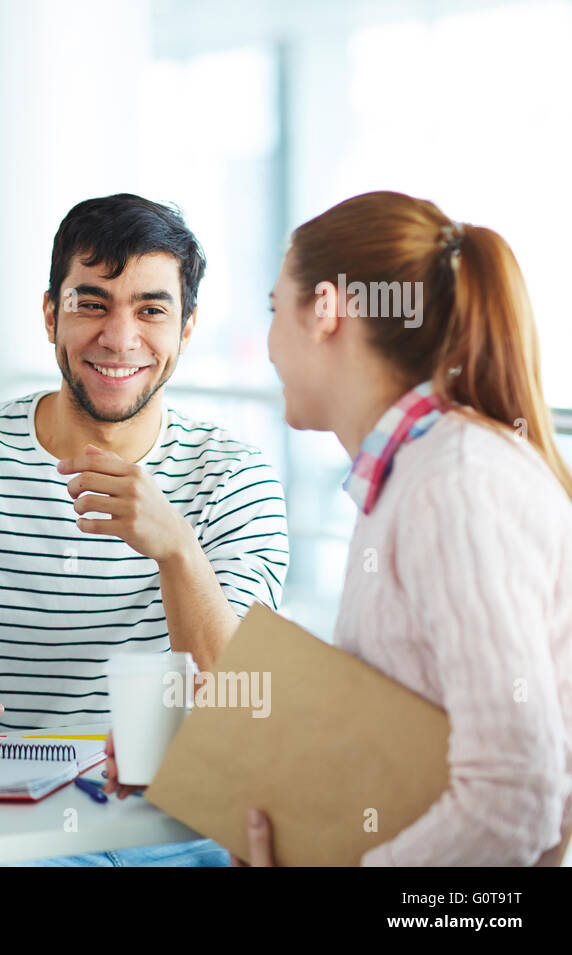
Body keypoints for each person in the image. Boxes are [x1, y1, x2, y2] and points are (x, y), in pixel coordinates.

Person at [123, 190, 571, 866]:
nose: (268, 346)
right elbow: (409, 739)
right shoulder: (411, 476)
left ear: (326, 311)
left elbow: (515, 794)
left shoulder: (454, 486)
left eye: (277, 310)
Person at [0, 194, 291, 866]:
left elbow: (237, 702)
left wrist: (176, 548)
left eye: (151, 309)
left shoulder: (236, 476)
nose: (119, 339)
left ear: (187, 327)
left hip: (180, 829)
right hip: (11, 831)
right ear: (49, 313)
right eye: (92, 303)